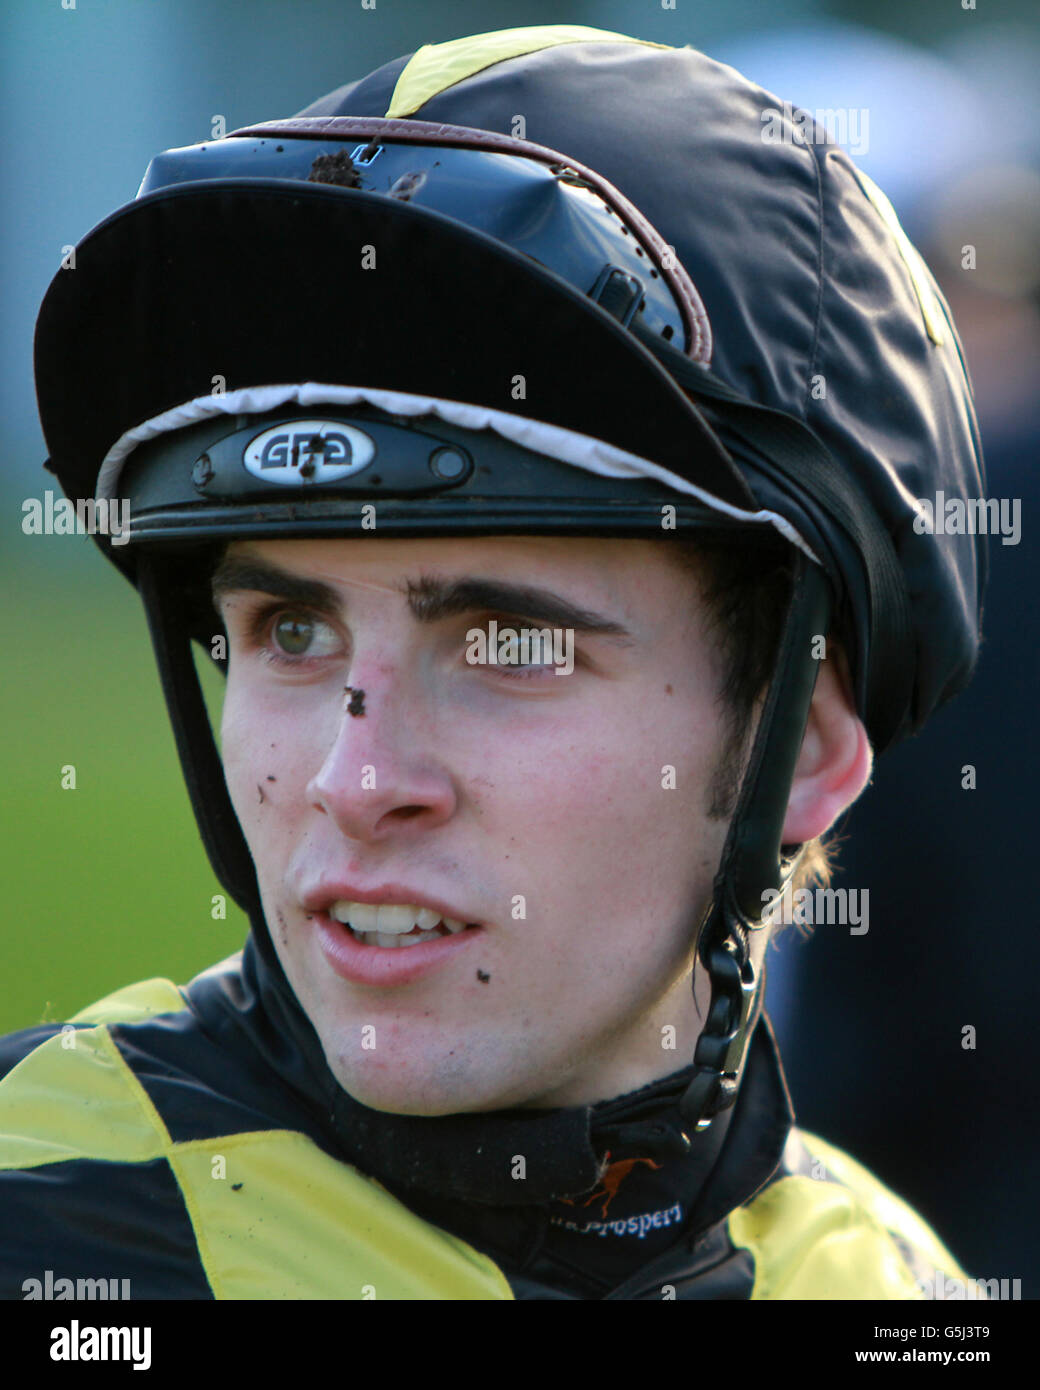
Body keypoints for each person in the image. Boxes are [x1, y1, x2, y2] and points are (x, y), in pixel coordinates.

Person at [1, 25, 987, 1300]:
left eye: (505, 645)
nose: (355, 783)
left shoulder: (897, 1291)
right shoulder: (44, 1219)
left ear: (798, 741)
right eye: (290, 634)